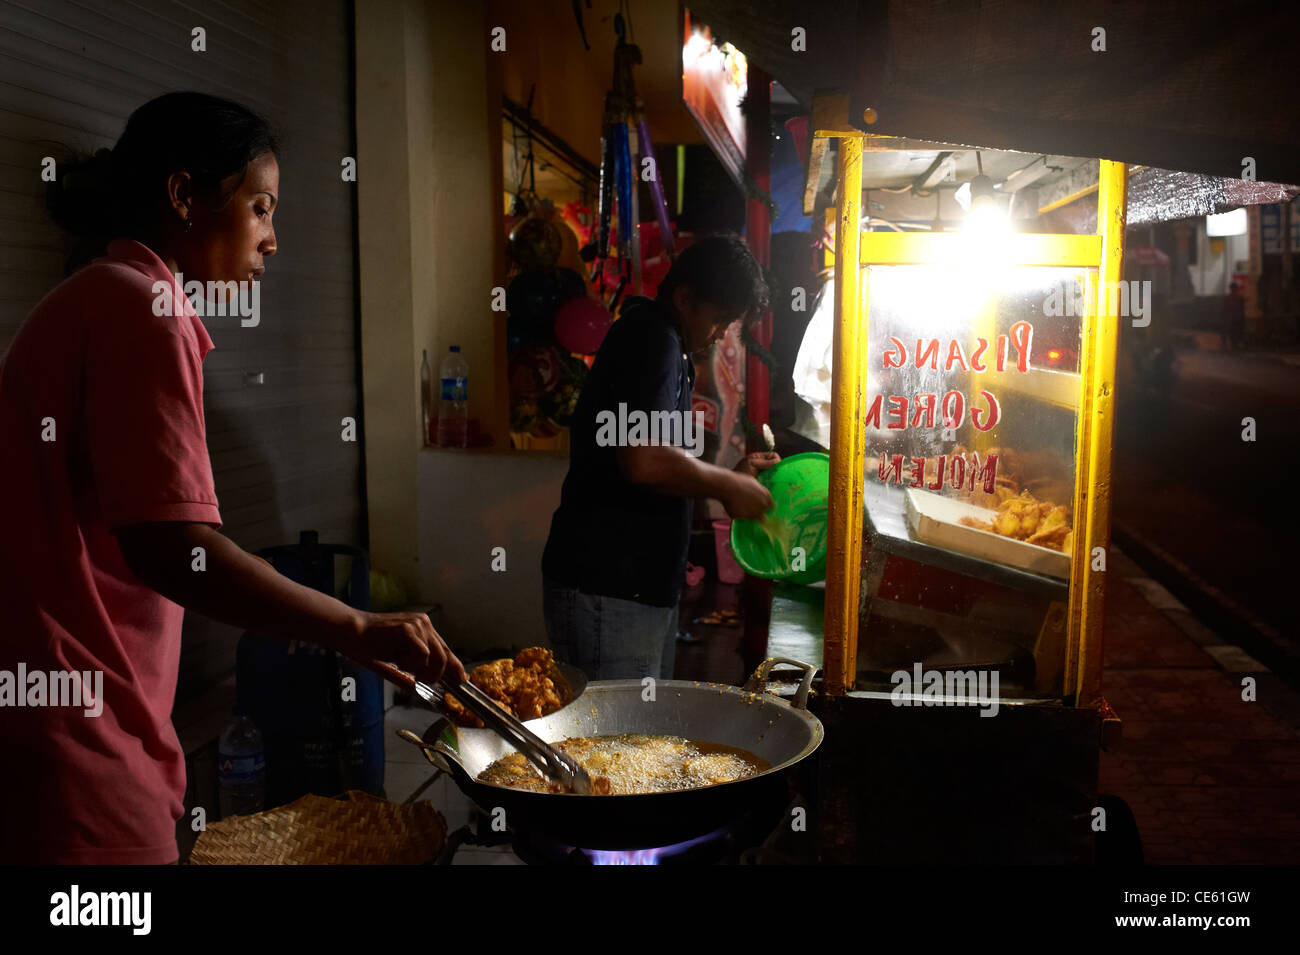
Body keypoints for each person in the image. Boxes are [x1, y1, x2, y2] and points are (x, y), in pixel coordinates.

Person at [0, 93, 464, 865]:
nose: (272, 240)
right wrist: (354, 627)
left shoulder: (97, 296)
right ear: (185, 196)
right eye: (259, 207)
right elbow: (171, 548)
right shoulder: (142, 306)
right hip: (83, 746)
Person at [541, 235, 779, 681]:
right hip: (608, 589)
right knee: (614, 745)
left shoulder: (662, 341)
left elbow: (655, 462)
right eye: (720, 319)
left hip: (626, 591)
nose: (722, 333)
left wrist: (731, 477)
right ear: (685, 297)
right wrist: (728, 486)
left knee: (627, 739)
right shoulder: (653, 339)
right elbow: (643, 460)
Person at [1222, 280, 1245, 352]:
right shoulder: (1239, 298)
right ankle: (1236, 345)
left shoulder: (1228, 298)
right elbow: (1241, 308)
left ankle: (1234, 345)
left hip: (1232, 318)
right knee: (1237, 332)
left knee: (1233, 332)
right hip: (1237, 318)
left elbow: (1224, 309)